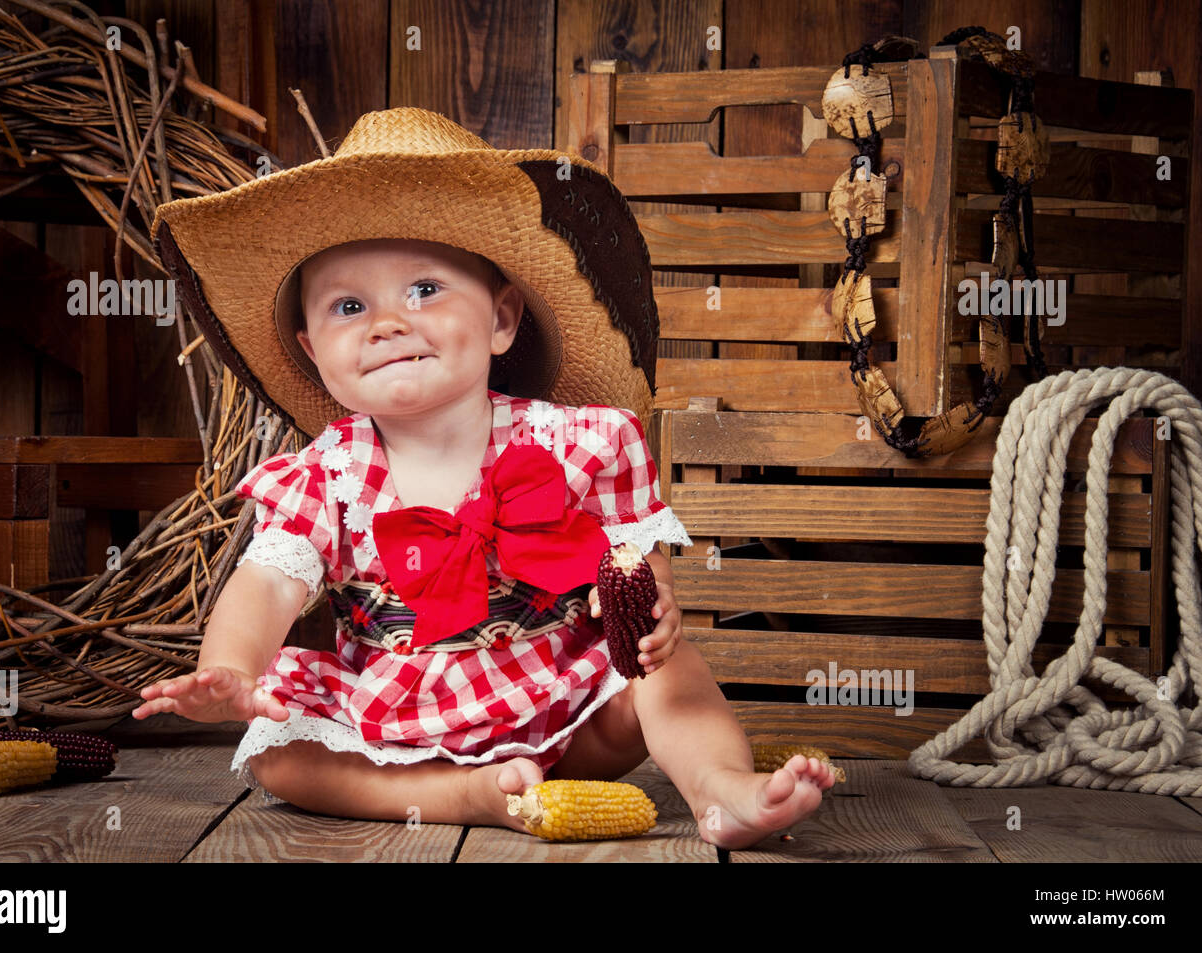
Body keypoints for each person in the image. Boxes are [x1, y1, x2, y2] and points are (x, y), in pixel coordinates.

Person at [139, 107, 835, 848]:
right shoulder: (327, 477)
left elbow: (631, 560)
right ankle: (460, 794)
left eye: (425, 290)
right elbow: (269, 583)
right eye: (350, 305)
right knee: (278, 752)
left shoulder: (579, 444)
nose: (385, 323)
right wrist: (229, 667)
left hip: (566, 713)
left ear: (503, 319)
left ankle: (719, 787)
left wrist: (652, 603)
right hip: (397, 726)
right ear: (314, 353)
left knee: (662, 670)